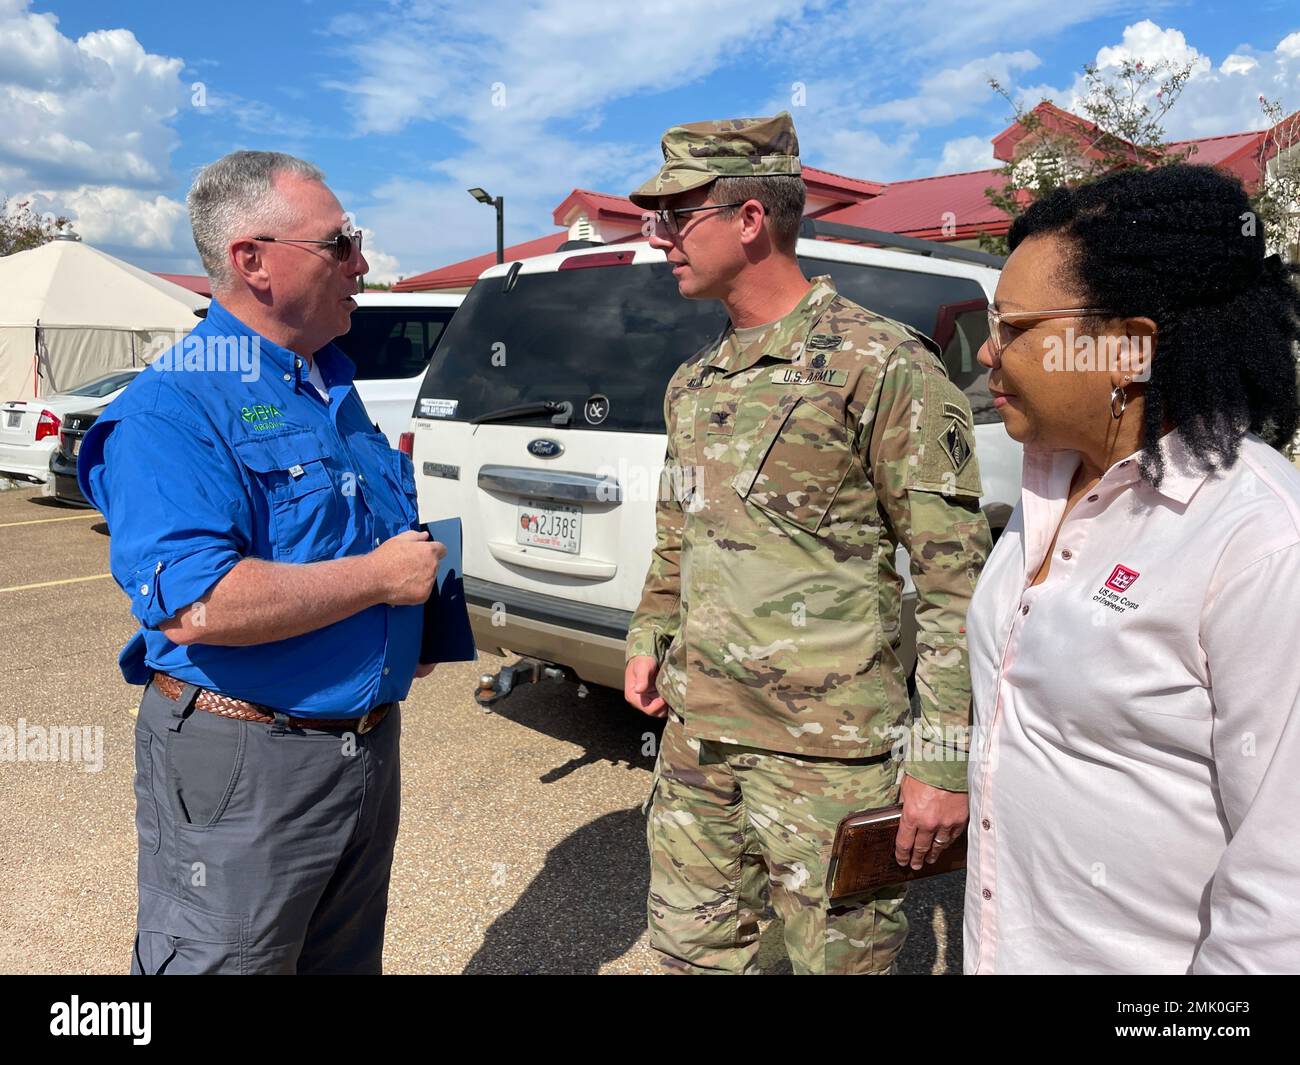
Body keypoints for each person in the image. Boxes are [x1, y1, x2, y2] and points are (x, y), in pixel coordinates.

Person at [623, 112, 992, 974]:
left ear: (750, 218)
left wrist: (942, 761)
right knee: (691, 959)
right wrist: (649, 635)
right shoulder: (695, 381)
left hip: (827, 763)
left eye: (676, 214)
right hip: (699, 745)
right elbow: (677, 533)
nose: (659, 238)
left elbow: (955, 581)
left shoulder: (881, 363)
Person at [78, 150, 445, 974]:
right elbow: (194, 604)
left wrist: (407, 626)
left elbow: (356, 535)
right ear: (253, 260)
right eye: (341, 243)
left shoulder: (329, 389)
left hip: (362, 752)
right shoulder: (172, 407)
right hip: (247, 764)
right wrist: (380, 580)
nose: (363, 262)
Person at [964, 163, 1300, 973]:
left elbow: (1283, 892)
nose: (987, 349)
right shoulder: (1049, 478)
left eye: (1015, 327)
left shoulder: (1258, 541)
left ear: (1127, 348)